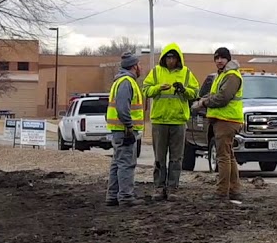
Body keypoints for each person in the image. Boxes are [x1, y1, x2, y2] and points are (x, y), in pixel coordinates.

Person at [141, 43, 199, 201]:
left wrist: (184, 90)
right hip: (160, 120)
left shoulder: (186, 73)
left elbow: (195, 92)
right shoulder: (156, 72)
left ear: (178, 58)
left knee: (176, 158)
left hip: (178, 121)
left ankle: (173, 187)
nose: (170, 60)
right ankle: (159, 187)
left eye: (173, 57)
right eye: (168, 57)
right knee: (159, 157)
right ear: (164, 58)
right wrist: (158, 88)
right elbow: (146, 89)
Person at [191, 48, 244, 203]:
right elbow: (216, 94)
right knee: (229, 156)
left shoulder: (232, 76)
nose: (219, 60)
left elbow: (223, 98)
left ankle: (222, 192)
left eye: (222, 58)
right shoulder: (223, 75)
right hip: (224, 120)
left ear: (228, 59)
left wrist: (203, 103)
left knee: (223, 157)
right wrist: (201, 99)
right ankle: (234, 190)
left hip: (226, 120)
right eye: (216, 58)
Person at [105, 52, 144, 207]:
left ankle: (113, 195)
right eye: (139, 64)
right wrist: (129, 126)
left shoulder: (119, 81)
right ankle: (126, 197)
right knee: (126, 163)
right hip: (124, 130)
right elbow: (123, 108)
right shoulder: (127, 82)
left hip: (118, 130)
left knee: (117, 162)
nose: (140, 67)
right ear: (134, 66)